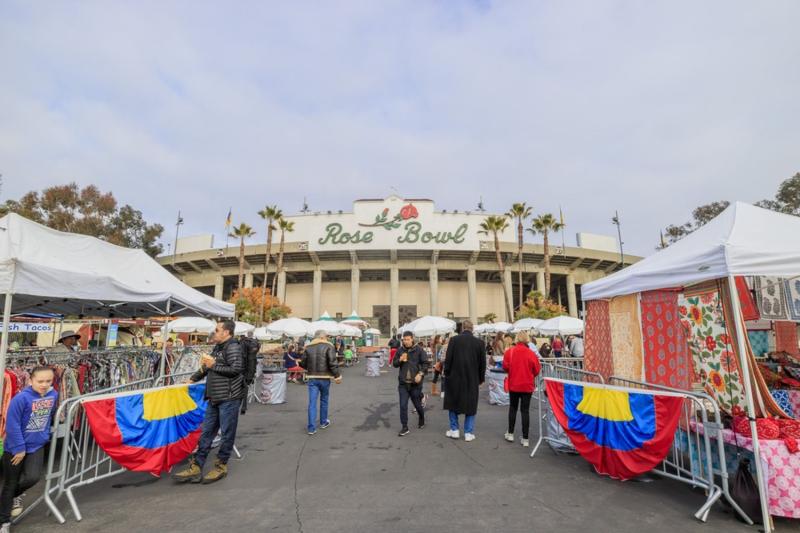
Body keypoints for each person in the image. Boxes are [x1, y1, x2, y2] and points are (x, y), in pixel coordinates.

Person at [173, 320, 244, 484]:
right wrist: (192, 379)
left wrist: (213, 365)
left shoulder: (233, 347)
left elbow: (235, 370)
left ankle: (221, 465)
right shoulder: (218, 347)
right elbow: (206, 367)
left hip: (229, 398)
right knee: (206, 433)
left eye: (217, 330)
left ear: (226, 332)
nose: (215, 332)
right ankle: (197, 466)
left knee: (227, 433)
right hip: (214, 397)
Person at [0, 366, 58, 531]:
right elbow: (12, 424)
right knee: (10, 484)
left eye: (48, 381)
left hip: (37, 445)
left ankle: (12, 498)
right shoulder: (20, 399)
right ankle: (4, 521)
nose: (44, 384)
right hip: (15, 448)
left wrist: (45, 434)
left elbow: (49, 416)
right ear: (31, 380)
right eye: (40, 381)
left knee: (32, 477)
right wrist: (19, 448)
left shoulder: (53, 395)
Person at [443, 320, 486, 442]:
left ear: (462, 328)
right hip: (472, 378)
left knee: (453, 402)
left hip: (454, 377)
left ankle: (454, 429)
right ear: (472, 329)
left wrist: (447, 373)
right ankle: (468, 432)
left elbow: (448, 359)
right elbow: (483, 363)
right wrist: (481, 378)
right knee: (471, 404)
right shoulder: (480, 343)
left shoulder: (454, 340)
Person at [298, 331, 341, 435]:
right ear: (322, 337)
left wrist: (309, 368)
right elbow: (332, 363)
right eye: (326, 336)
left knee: (312, 403)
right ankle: (323, 422)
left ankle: (311, 428)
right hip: (325, 377)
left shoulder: (308, 347)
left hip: (312, 377)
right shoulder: (329, 346)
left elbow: (302, 363)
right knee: (324, 400)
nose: (327, 338)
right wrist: (337, 375)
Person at [502, 332, 541, 447]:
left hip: (514, 383)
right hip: (527, 385)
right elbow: (537, 370)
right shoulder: (531, 353)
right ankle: (525, 438)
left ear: (516, 339)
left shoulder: (510, 352)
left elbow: (505, 366)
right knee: (525, 411)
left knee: (513, 408)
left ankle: (510, 433)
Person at [393, 331, 429, 436]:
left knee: (417, 405)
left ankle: (421, 417)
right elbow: (394, 364)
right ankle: (405, 427)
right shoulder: (400, 350)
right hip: (403, 383)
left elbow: (425, 364)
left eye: (408, 339)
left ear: (412, 339)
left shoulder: (419, 350)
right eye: (404, 339)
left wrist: (420, 373)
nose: (406, 341)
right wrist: (399, 360)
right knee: (403, 405)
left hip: (415, 384)